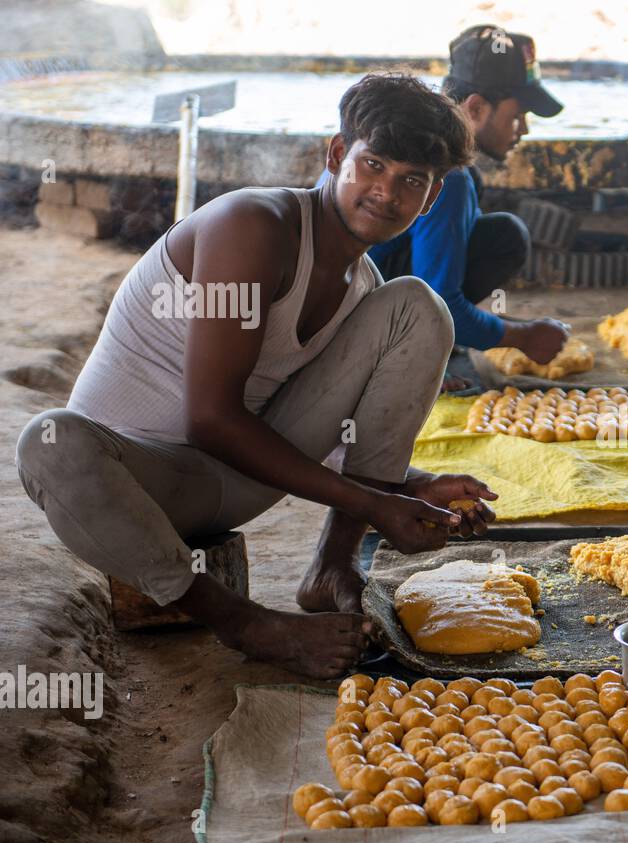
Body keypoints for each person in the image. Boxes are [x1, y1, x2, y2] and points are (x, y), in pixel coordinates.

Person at [15, 74, 498, 678]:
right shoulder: (252, 227)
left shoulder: (365, 287)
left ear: (430, 200)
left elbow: (300, 427)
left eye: (411, 181)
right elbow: (211, 419)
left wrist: (409, 488)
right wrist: (378, 501)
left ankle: (332, 566)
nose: (385, 191)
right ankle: (244, 623)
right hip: (129, 490)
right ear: (336, 154)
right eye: (372, 163)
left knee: (418, 307)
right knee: (48, 441)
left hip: (230, 485)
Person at [349, 24, 570, 370]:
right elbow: (443, 301)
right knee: (506, 237)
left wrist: (503, 326)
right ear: (477, 108)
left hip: (355, 293)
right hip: (353, 317)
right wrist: (524, 337)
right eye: (518, 116)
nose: (523, 130)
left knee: (487, 225)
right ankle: (409, 352)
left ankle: (425, 339)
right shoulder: (446, 176)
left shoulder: (420, 142)